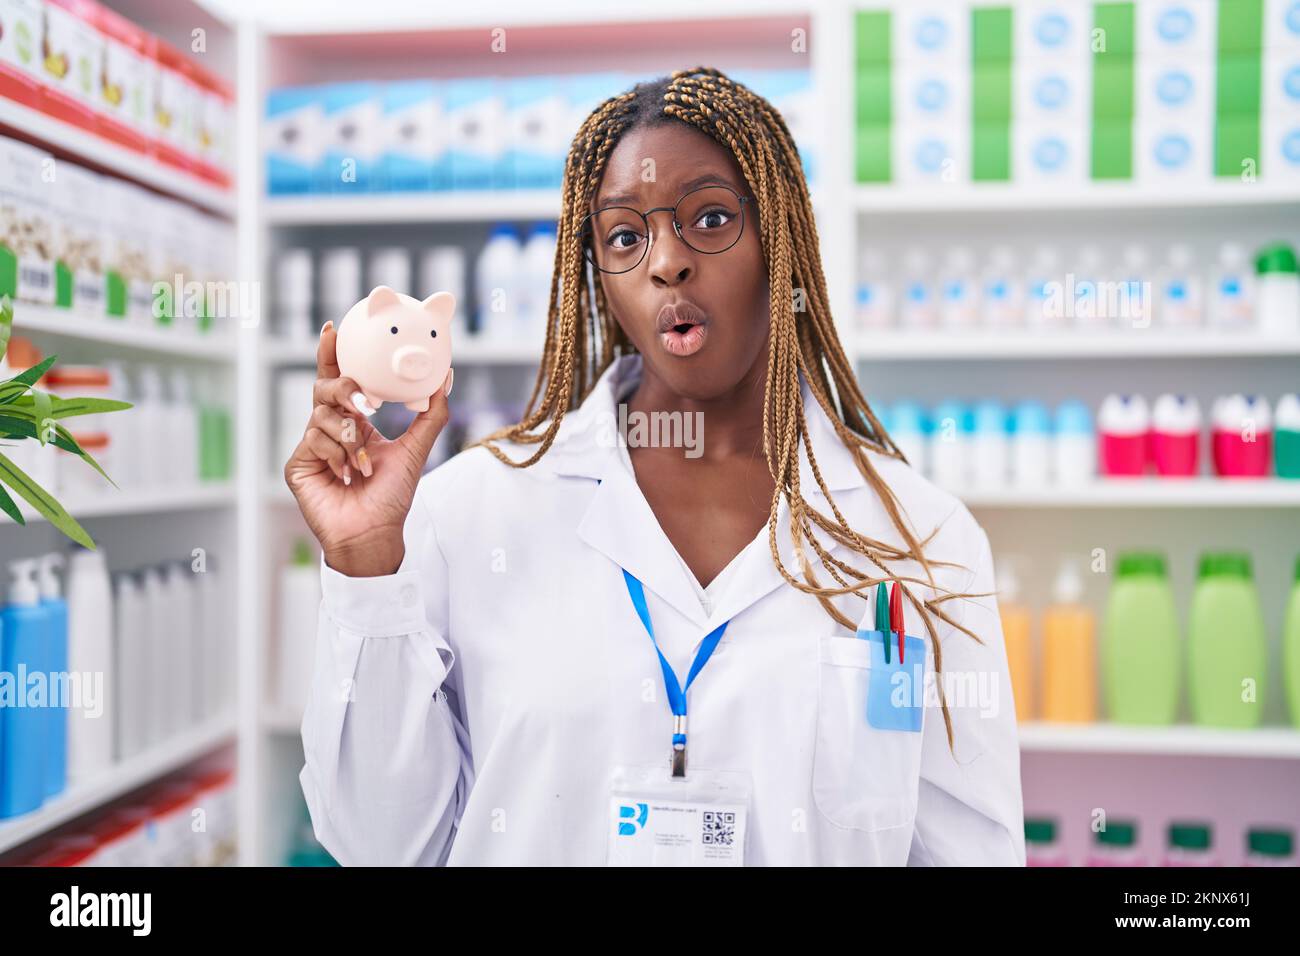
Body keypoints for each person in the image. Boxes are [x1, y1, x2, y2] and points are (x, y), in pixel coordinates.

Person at [285, 67, 1024, 866]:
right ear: (599, 274)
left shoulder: (921, 539)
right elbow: (382, 842)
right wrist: (363, 569)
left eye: (710, 218)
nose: (665, 261)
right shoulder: (469, 512)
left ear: (782, 241)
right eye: (626, 236)